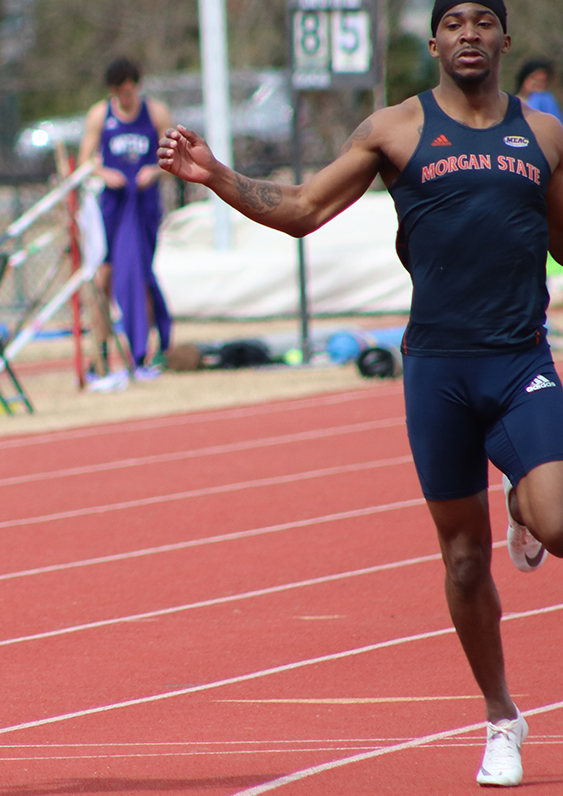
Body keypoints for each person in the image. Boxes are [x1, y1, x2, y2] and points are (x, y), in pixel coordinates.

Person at [159, 0, 563, 786]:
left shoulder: (543, 136)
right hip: (438, 371)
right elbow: (305, 209)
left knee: (558, 517)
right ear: (436, 40)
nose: (469, 34)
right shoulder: (393, 131)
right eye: (454, 23)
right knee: (461, 560)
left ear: (505, 40)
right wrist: (214, 175)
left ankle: (525, 497)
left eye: (484, 21)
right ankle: (501, 718)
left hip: (521, 362)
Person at [78, 57, 174, 391]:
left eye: (130, 90)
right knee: (104, 277)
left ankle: (144, 353)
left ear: (137, 86)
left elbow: (175, 157)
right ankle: (101, 355)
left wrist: (154, 171)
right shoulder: (100, 115)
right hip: (113, 204)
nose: (126, 97)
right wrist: (105, 172)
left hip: (144, 204)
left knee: (140, 275)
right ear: (112, 92)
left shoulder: (155, 112)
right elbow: (85, 162)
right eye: (120, 92)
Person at [516, 58, 562, 124]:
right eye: (534, 80)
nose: (538, 86)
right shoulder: (510, 102)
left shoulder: (545, 100)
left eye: (543, 82)